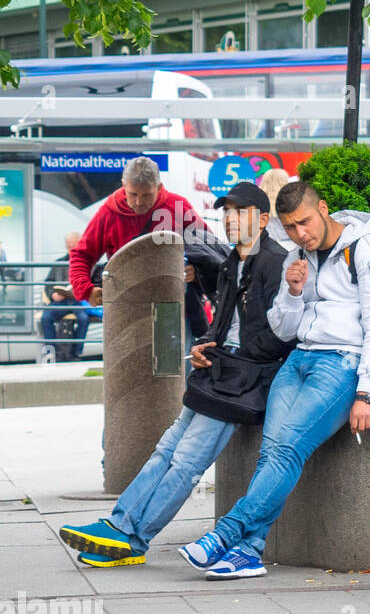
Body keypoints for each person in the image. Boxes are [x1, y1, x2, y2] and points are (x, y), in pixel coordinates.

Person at [57, 183, 295, 567]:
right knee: (166, 448)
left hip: (244, 380)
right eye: (227, 213)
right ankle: (119, 523)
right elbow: (222, 322)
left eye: (240, 213)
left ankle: (135, 538)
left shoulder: (276, 262)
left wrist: (231, 355)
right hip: (218, 369)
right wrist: (205, 344)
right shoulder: (231, 262)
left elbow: (279, 334)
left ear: (263, 219)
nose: (231, 220)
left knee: (186, 461)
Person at [178, 181, 370, 580]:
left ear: (323, 208)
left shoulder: (367, 249)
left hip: (341, 363)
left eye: (305, 222)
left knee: (285, 450)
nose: (300, 234)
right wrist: (294, 292)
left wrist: (367, 390)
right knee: (271, 454)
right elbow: (282, 328)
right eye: (291, 227)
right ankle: (249, 552)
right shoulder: (297, 256)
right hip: (299, 359)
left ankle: (223, 535)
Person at [68, 156, 226, 341]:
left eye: (146, 195)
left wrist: (196, 271)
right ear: (123, 185)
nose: (138, 202)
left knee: (175, 358)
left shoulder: (178, 206)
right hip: (127, 309)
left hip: (174, 310)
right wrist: (86, 290)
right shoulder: (108, 213)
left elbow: (209, 249)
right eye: (133, 194)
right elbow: (82, 255)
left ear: (158, 188)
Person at [39, 232, 92, 362]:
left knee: (84, 319)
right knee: (46, 317)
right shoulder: (58, 263)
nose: (71, 250)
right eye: (69, 247)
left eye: (74, 246)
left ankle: (76, 353)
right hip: (60, 302)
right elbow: (48, 282)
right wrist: (53, 294)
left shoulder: (87, 262)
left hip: (78, 301)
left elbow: (92, 283)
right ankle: (51, 352)